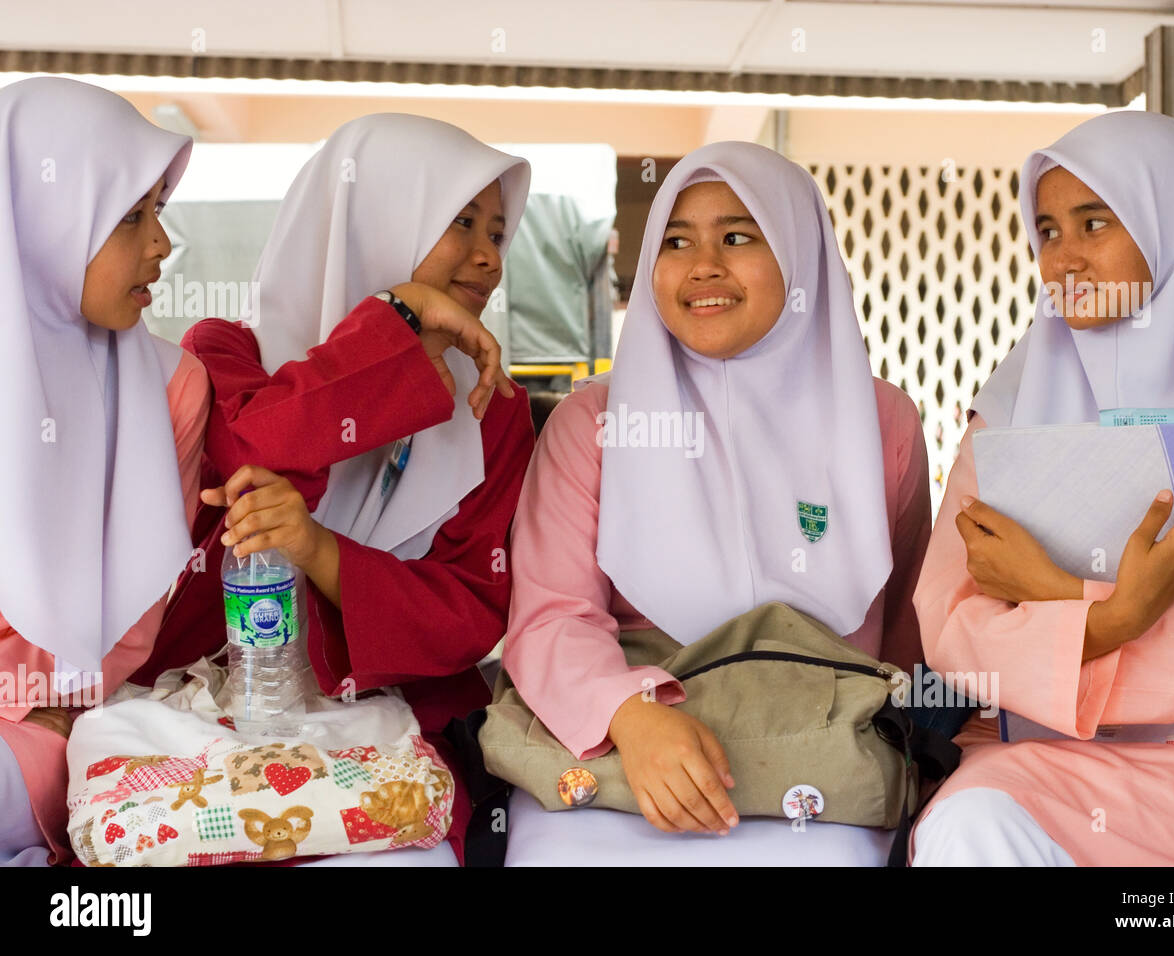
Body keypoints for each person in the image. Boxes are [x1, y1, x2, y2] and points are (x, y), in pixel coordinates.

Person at [501, 141, 931, 865]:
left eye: (737, 236)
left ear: (800, 256)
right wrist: (629, 718)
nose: (703, 265)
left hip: (818, 756)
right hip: (618, 751)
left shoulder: (880, 420)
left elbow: (908, 624)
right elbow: (550, 617)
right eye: (676, 241)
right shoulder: (596, 422)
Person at [132, 114, 535, 866]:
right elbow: (261, 452)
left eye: (499, 232)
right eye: (461, 222)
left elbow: (473, 610)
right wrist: (400, 318)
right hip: (213, 717)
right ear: (376, 217)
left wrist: (320, 552)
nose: (487, 256)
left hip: (401, 740)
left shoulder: (494, 410)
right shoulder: (224, 352)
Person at [910, 110, 1174, 866]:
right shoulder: (1004, 413)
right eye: (1048, 231)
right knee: (967, 827)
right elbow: (952, 621)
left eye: (1094, 223)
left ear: (1173, 226)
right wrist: (1114, 619)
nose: (1065, 260)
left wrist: (1056, 597)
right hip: (1032, 749)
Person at [0, 77, 209, 865]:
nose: (161, 243)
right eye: (133, 217)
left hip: (56, 728)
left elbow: (131, 611)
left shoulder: (170, 386)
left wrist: (41, 702)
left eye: (159, 210)